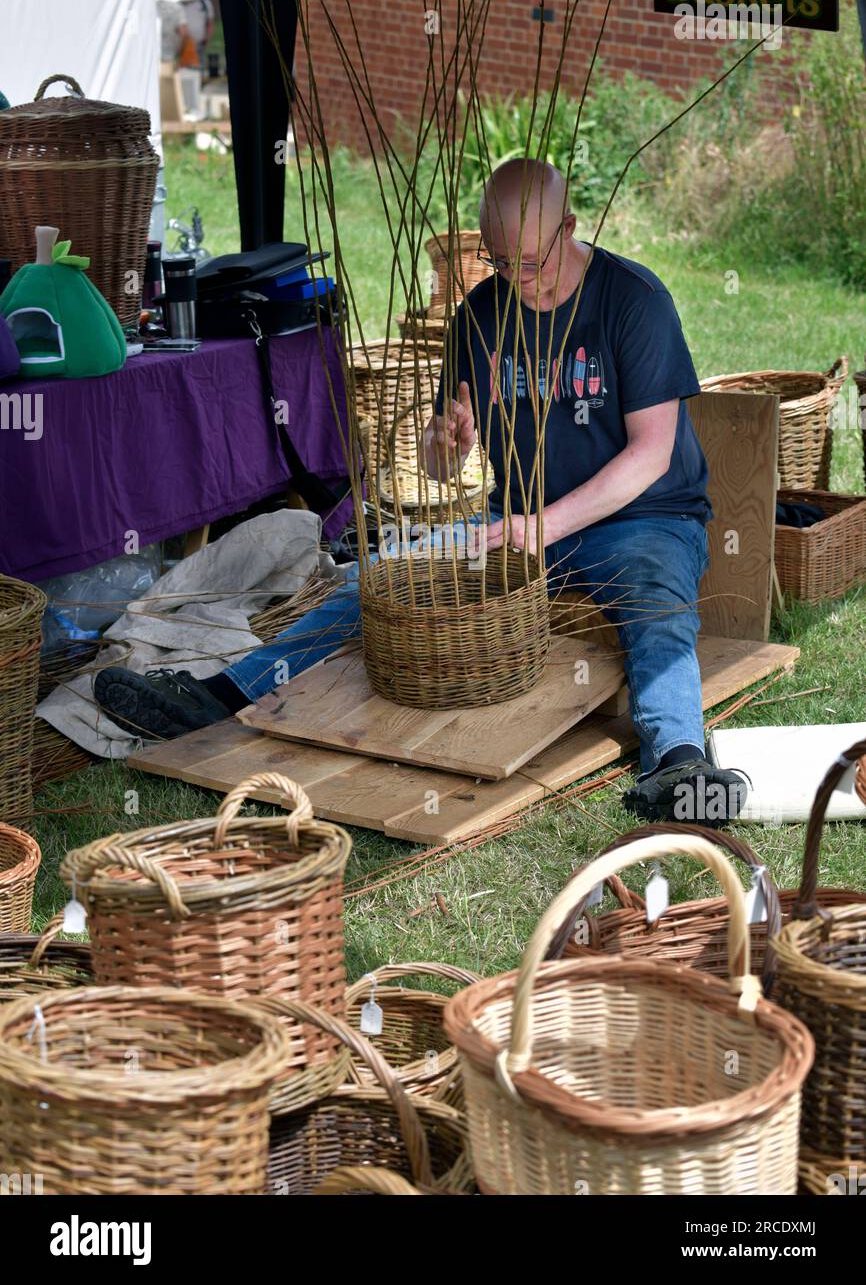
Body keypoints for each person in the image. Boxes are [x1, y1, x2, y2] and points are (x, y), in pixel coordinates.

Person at [96, 158, 748, 825]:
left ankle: (680, 763)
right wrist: (446, 446)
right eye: (502, 263)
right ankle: (221, 694)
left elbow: (652, 454)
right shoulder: (478, 318)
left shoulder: (634, 300)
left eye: (534, 261)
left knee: (657, 607)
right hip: (516, 521)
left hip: (643, 518)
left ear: (571, 228)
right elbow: (442, 469)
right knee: (380, 579)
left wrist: (544, 526)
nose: (521, 281)